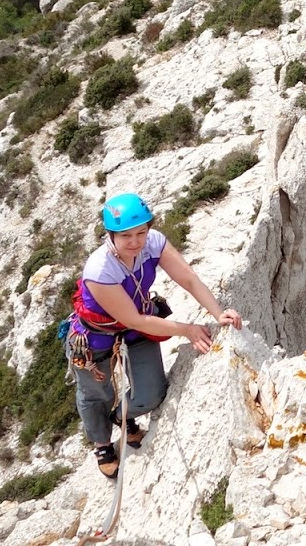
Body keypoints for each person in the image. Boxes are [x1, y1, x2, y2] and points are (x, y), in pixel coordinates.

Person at [65, 192, 243, 478]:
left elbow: (187, 278)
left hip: (137, 325)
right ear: (110, 235)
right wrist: (186, 330)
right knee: (95, 393)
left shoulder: (154, 243)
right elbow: (134, 319)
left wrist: (216, 313)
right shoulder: (100, 270)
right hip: (95, 337)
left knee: (151, 393)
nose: (135, 242)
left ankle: (122, 417)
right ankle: (102, 443)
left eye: (141, 233)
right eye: (126, 236)